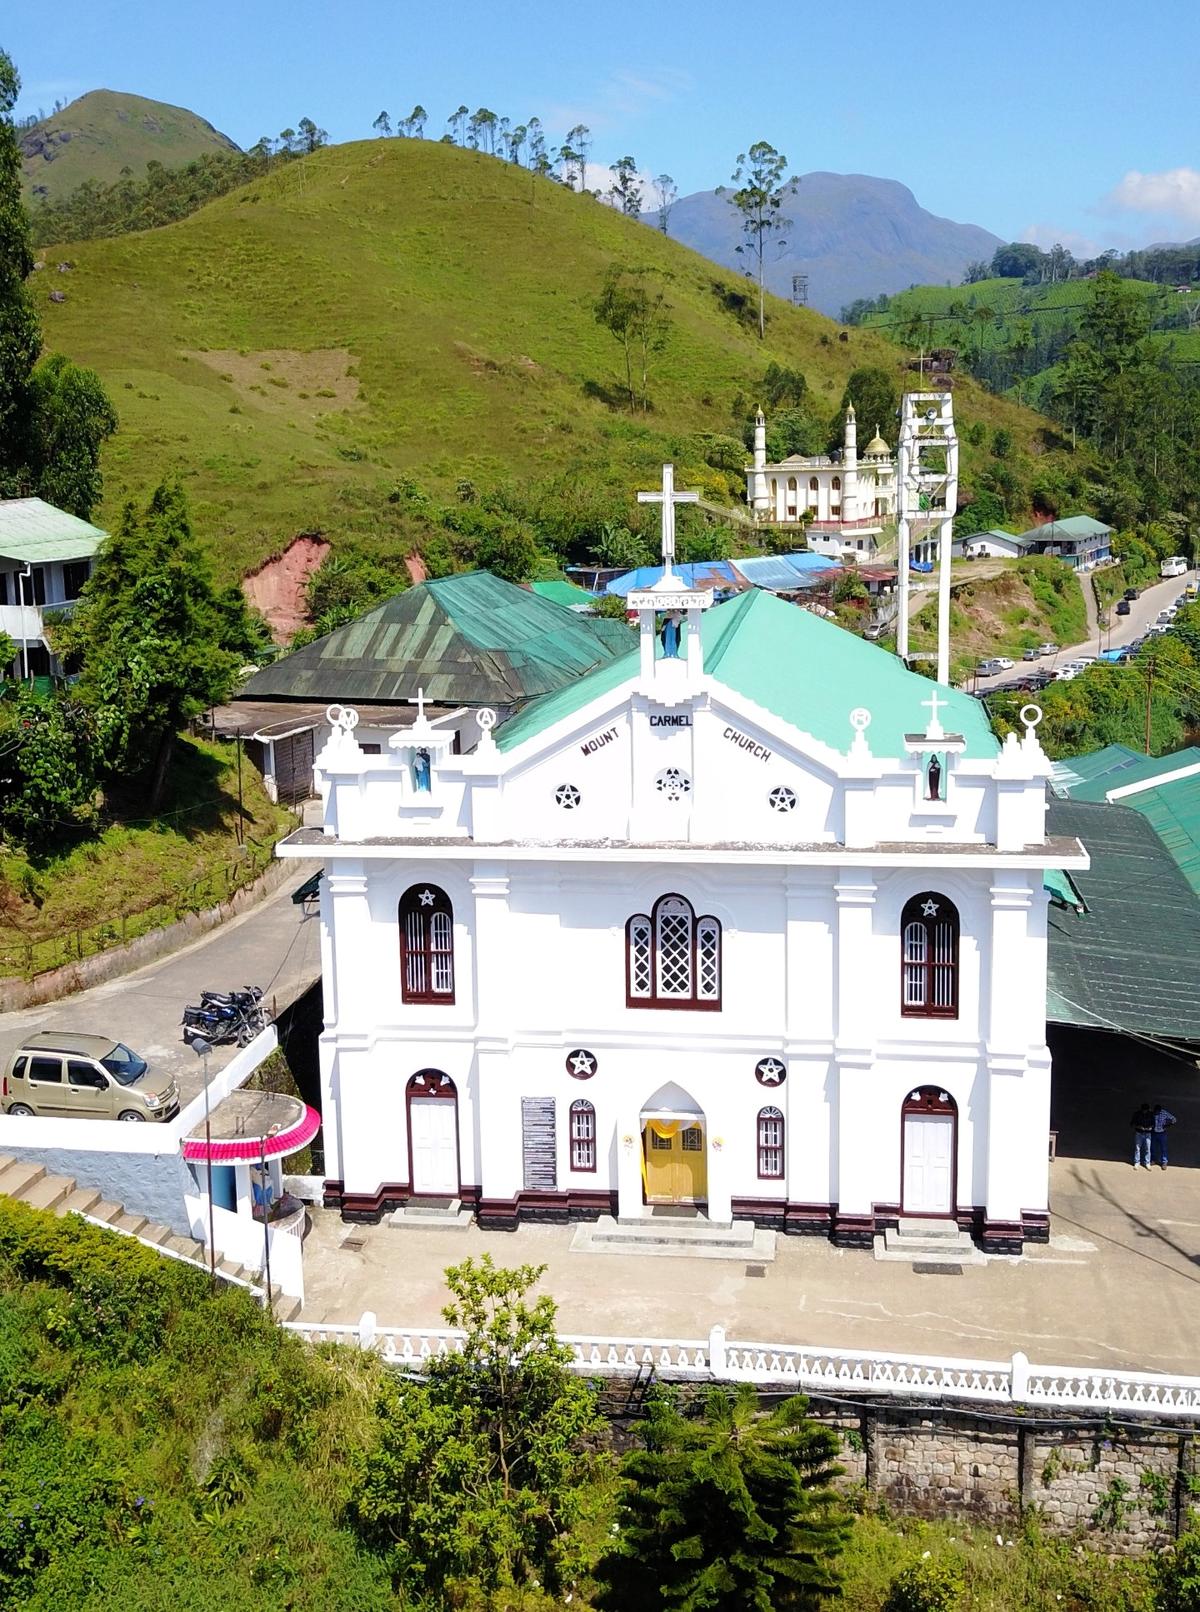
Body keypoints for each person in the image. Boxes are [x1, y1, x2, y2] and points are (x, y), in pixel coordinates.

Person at [1151, 1102, 1177, 1170]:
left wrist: (1168, 1125)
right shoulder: (1152, 1113)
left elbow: (1174, 1119)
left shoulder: (1164, 1113)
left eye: (1157, 1112)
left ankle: (1164, 1162)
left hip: (1162, 1133)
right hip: (1153, 1133)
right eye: (1155, 1111)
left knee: (1163, 1148)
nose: (1156, 1113)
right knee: (1153, 1147)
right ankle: (1153, 1160)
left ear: (1160, 1111)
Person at [1131, 1101, 1155, 1169]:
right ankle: (1137, 1162)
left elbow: (1154, 1124)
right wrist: (1138, 1126)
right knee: (1137, 1148)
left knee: (1148, 1148)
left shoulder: (1151, 1115)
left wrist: (1151, 1127)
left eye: (1146, 1110)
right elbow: (1132, 1123)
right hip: (1139, 1133)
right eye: (1143, 1110)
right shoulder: (1137, 1114)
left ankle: (1147, 1163)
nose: (1144, 1111)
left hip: (1148, 1133)